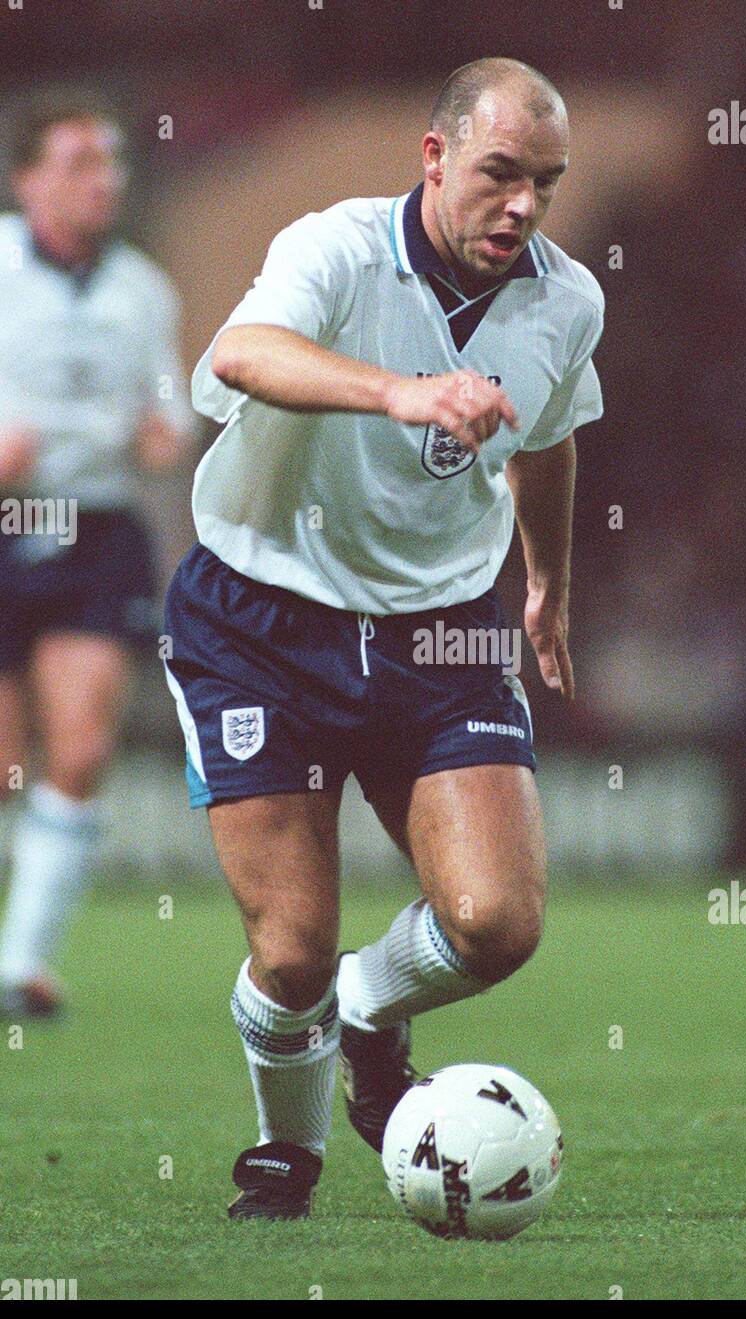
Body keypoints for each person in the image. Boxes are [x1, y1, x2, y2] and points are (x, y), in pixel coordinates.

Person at [163, 57, 604, 1218]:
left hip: (442, 630)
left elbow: (550, 437)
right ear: (435, 155)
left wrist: (547, 580)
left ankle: (366, 1008)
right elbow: (242, 357)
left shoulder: (566, 300)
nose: (521, 206)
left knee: (496, 924)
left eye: (544, 185)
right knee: (290, 953)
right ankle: (286, 1157)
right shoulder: (338, 248)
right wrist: (400, 393)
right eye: (500, 174)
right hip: (261, 616)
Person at [0, 91, 191, 1018]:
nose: (103, 178)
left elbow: (172, 411)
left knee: (77, 748)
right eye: (78, 160)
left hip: (97, 527)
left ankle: (21, 963)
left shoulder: (143, 289)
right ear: (27, 178)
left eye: (112, 160)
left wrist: (164, 433)